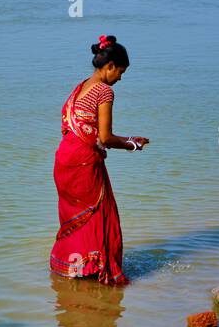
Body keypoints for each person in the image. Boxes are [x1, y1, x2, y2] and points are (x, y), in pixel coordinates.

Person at [50, 35, 148, 286]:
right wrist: (132, 144)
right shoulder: (104, 91)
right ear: (110, 66)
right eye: (121, 72)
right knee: (98, 215)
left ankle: (72, 269)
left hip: (63, 159)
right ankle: (98, 271)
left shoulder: (81, 86)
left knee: (75, 217)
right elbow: (105, 137)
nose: (120, 78)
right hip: (84, 161)